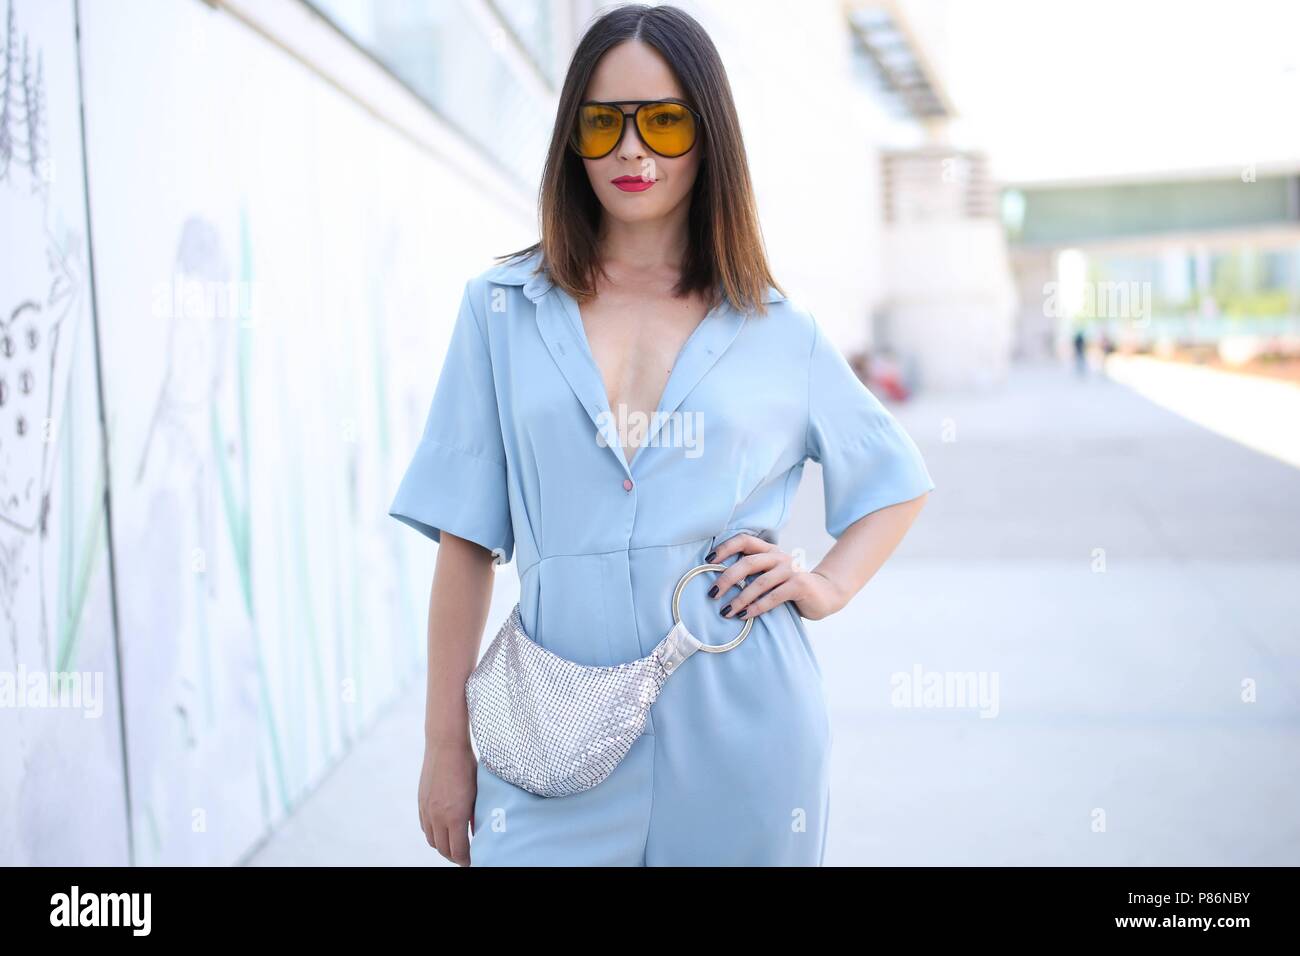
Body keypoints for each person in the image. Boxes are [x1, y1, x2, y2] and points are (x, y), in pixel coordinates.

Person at [389, 3, 934, 867]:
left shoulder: (776, 328)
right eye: (603, 124)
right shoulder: (499, 311)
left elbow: (895, 482)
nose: (632, 151)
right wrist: (443, 745)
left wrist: (822, 584)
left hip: (745, 730)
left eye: (665, 121)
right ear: (573, 138)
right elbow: (463, 543)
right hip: (550, 743)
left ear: (707, 135)